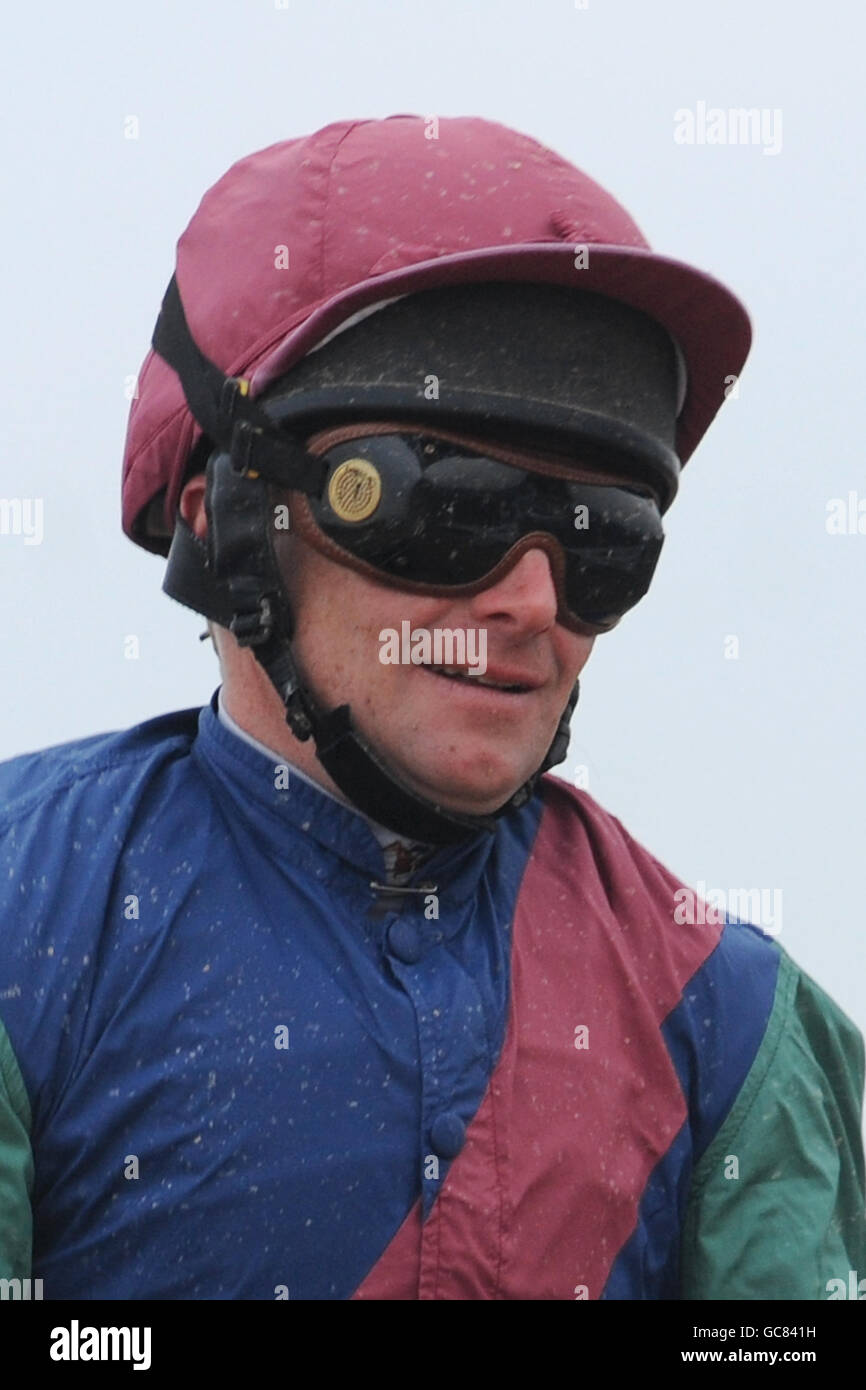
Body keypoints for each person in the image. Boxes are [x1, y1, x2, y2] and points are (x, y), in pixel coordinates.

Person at [0, 115, 863, 1302]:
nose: (531, 602)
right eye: (444, 505)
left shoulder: (733, 1014)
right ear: (225, 520)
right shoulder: (21, 916)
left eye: (601, 542)